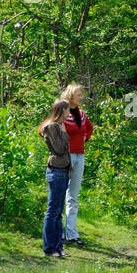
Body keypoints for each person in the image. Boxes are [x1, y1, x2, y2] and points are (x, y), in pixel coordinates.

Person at [59, 83, 94, 246]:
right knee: (60, 194)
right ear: (71, 95)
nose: (81, 97)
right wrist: (58, 145)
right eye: (79, 95)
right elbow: (44, 129)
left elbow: (89, 128)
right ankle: (57, 232)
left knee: (73, 197)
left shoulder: (82, 114)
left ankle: (72, 233)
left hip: (80, 156)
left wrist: (85, 137)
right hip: (65, 157)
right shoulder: (62, 111)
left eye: (82, 95)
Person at [38, 99, 73, 259]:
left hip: (63, 171)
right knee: (52, 211)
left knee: (59, 212)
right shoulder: (51, 127)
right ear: (62, 110)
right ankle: (49, 248)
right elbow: (59, 149)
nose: (69, 113)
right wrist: (64, 132)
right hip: (56, 171)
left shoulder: (58, 126)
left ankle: (58, 246)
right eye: (67, 110)